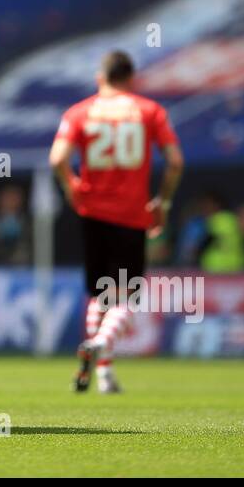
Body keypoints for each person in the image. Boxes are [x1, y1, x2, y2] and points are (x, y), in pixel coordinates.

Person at [49, 50, 183, 395]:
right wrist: (163, 202)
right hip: (131, 214)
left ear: (100, 78)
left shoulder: (79, 112)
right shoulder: (149, 111)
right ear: (132, 79)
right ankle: (101, 344)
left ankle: (103, 374)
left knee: (99, 295)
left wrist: (72, 187)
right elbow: (175, 162)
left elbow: (57, 159)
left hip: (92, 213)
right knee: (127, 296)